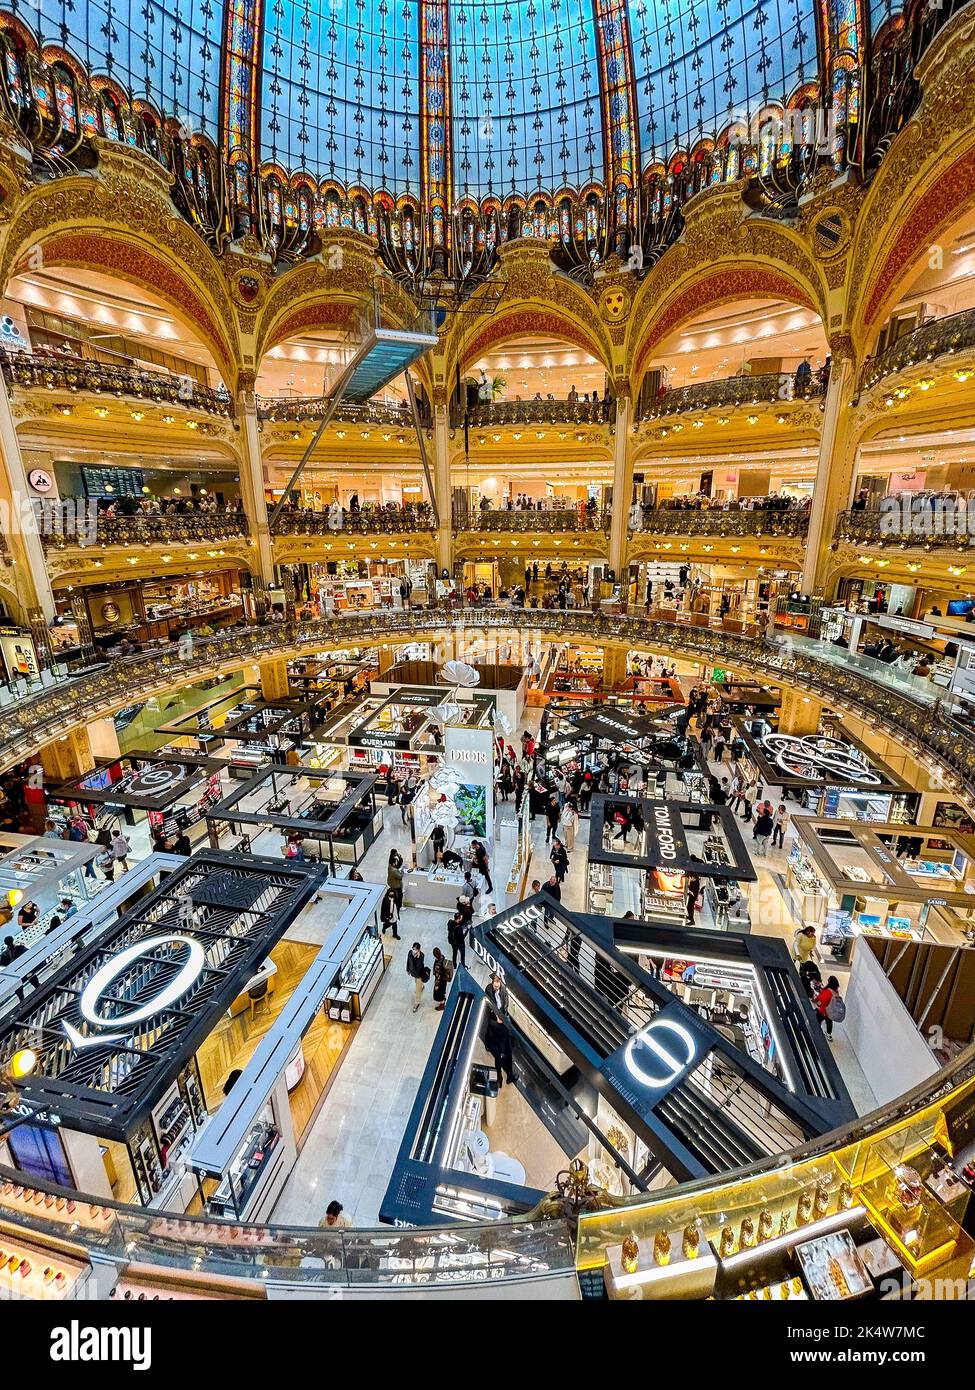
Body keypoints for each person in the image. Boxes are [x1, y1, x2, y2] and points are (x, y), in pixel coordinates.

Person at [484, 1011, 516, 1087]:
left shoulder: (493, 1023)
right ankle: (506, 1077)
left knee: (499, 1059)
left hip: (496, 1043)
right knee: (505, 1057)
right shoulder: (500, 1026)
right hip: (500, 1043)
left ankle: (501, 1078)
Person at [406, 941, 427, 1012]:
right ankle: (422, 986)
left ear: (419, 950)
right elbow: (408, 961)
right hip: (413, 973)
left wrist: (417, 958)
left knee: (418, 990)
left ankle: (417, 1003)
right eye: (413, 948)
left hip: (419, 975)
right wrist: (408, 969)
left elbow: (418, 967)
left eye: (415, 949)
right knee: (416, 982)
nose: (414, 950)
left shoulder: (421, 956)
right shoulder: (410, 953)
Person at [432, 946, 450, 1011]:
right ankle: (443, 999)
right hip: (444, 978)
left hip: (440, 980)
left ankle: (442, 1005)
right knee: (443, 990)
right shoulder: (442, 957)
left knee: (439, 993)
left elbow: (437, 976)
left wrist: (436, 985)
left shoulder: (437, 965)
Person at [387, 849, 404, 914]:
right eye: (396, 862)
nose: (397, 863)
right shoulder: (394, 871)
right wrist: (402, 871)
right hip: (396, 885)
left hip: (391, 883)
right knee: (399, 895)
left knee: (396, 895)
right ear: (394, 863)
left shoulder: (390, 866)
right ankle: (399, 907)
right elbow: (400, 876)